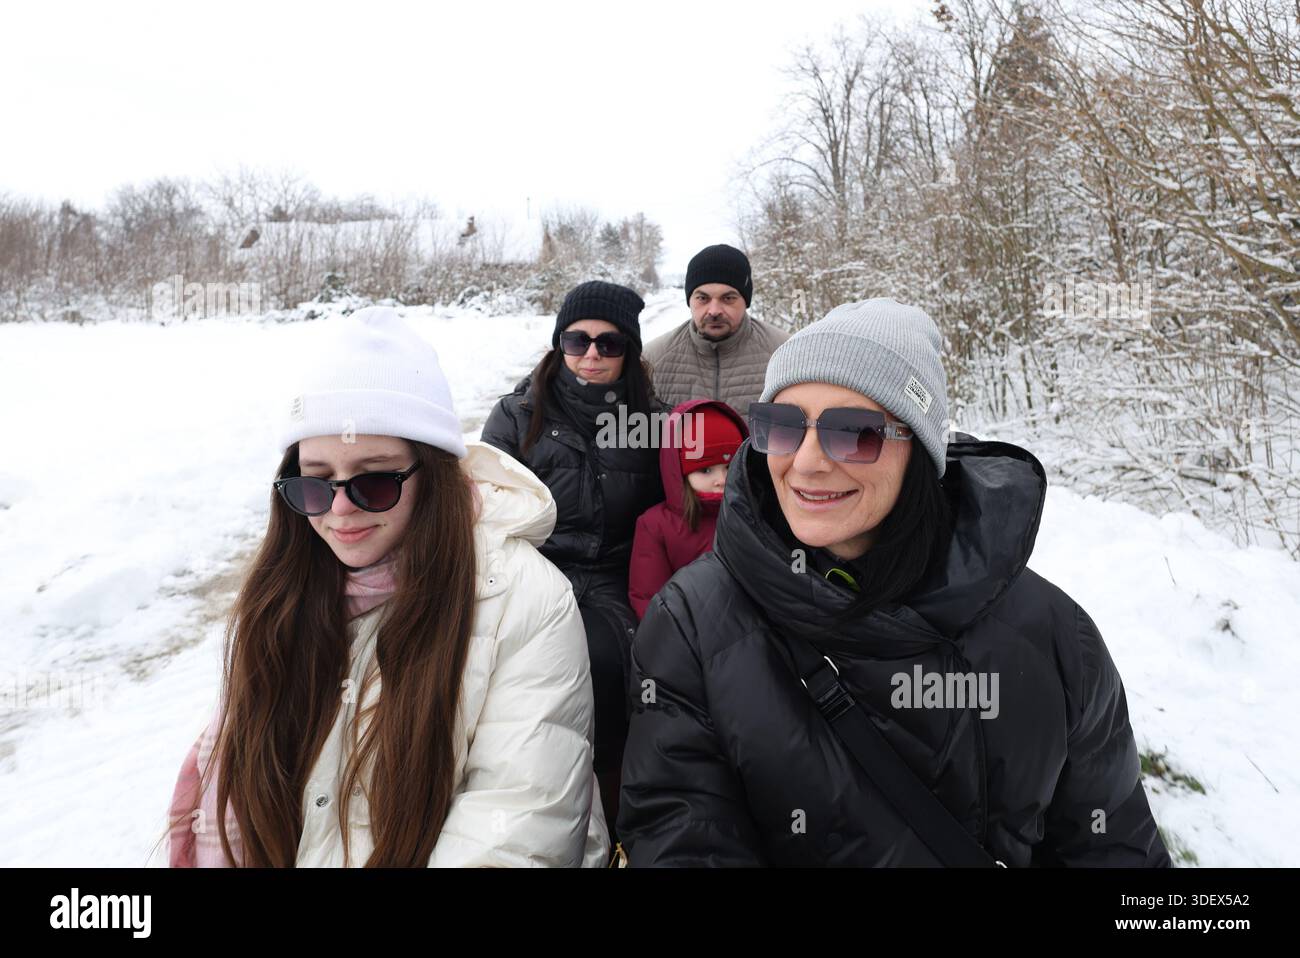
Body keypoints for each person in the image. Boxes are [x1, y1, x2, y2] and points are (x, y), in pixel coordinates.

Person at [618, 298, 1171, 867]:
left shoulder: (1055, 637)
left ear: (921, 451)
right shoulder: (691, 626)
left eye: (853, 432)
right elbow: (684, 841)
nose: (805, 463)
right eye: (781, 427)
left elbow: (1114, 850)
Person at [156, 306, 608, 867]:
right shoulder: (281, 596)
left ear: (433, 474)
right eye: (315, 484)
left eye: (373, 481)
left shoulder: (526, 600)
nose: (340, 510)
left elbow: (518, 829)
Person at [480, 280, 665, 836]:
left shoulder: (656, 422)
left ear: (629, 352)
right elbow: (485, 509)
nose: (591, 355)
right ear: (558, 343)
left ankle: (616, 801)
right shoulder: (517, 416)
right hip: (534, 567)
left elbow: (684, 510)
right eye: (577, 340)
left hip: (618, 573)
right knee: (506, 665)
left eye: (609, 344)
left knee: (625, 666)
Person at [628, 400, 747, 620]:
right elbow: (649, 597)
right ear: (680, 472)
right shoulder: (656, 526)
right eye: (706, 470)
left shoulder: (753, 515)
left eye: (729, 467)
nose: (721, 480)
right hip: (687, 632)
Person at [642, 243, 789, 416]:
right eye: (703, 298)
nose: (714, 311)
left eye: (728, 298)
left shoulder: (785, 354)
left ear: (746, 301)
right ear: (690, 300)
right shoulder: (651, 360)